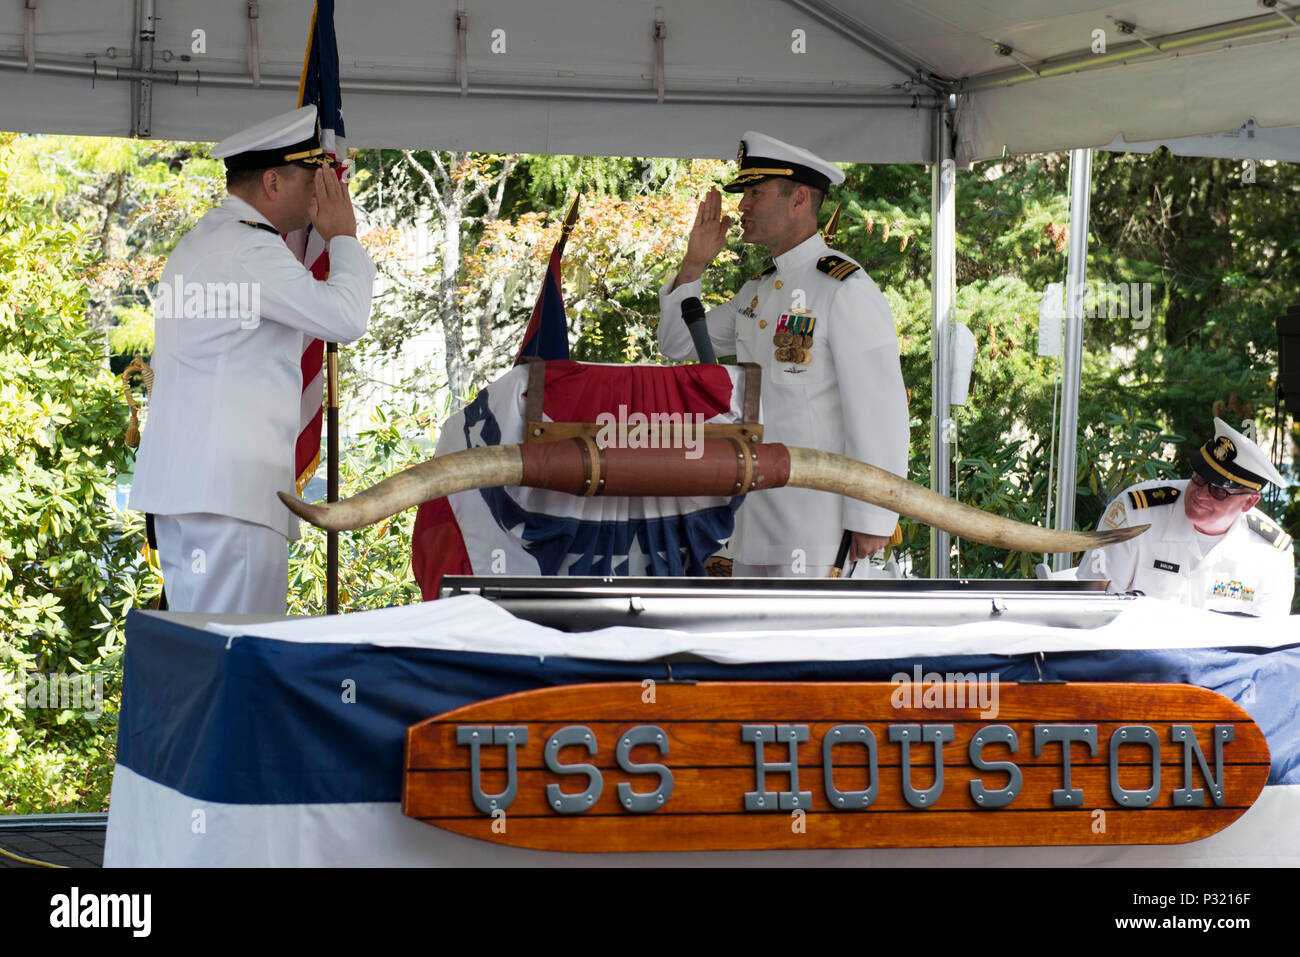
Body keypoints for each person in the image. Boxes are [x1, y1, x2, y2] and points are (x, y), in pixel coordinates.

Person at [130, 105, 376, 615]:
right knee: (232, 655)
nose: (320, 194)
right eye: (314, 179)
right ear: (272, 181)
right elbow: (345, 317)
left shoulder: (209, 240)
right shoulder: (248, 250)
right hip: (227, 498)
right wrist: (343, 237)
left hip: (200, 492)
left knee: (201, 654)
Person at [657, 131, 909, 576]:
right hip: (750, 519)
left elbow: (879, 412)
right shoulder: (756, 293)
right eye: (744, 193)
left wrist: (873, 518)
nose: (742, 206)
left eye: (756, 192)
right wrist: (693, 266)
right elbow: (677, 343)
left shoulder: (843, 288)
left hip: (816, 526)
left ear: (799, 200)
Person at [1077, 418, 1295, 616]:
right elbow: (1090, 608)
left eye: (1218, 491)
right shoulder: (1134, 513)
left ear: (1249, 502)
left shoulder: (1271, 552)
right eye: (1199, 478)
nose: (1199, 493)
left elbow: (1267, 640)